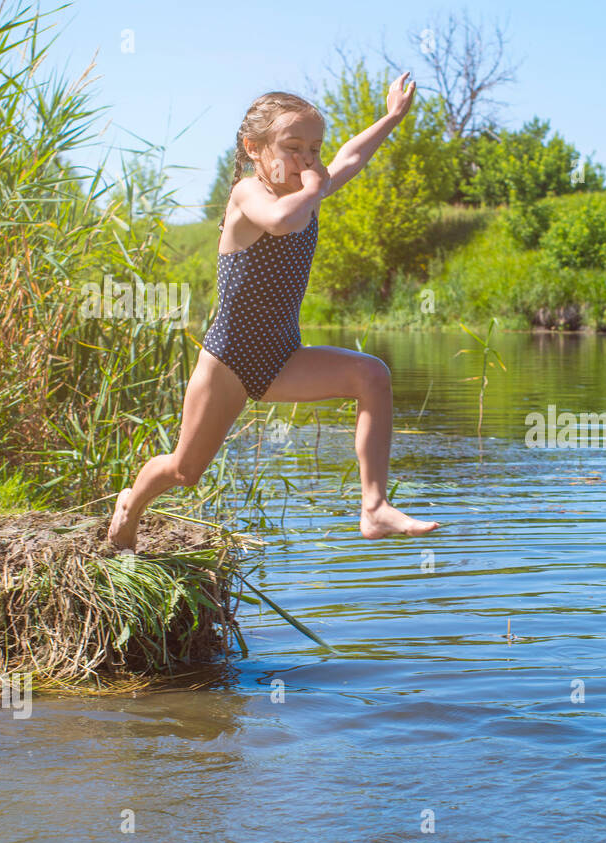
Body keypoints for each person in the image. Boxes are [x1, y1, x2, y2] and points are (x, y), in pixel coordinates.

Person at [108, 74, 438, 550]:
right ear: (254, 148)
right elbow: (284, 220)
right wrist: (315, 186)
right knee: (185, 470)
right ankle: (129, 505)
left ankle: (374, 507)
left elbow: (350, 158)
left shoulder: (308, 189)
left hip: (283, 357)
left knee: (372, 375)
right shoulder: (248, 194)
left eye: (314, 148)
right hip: (227, 362)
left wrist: (391, 118)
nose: (308, 159)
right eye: (294, 146)